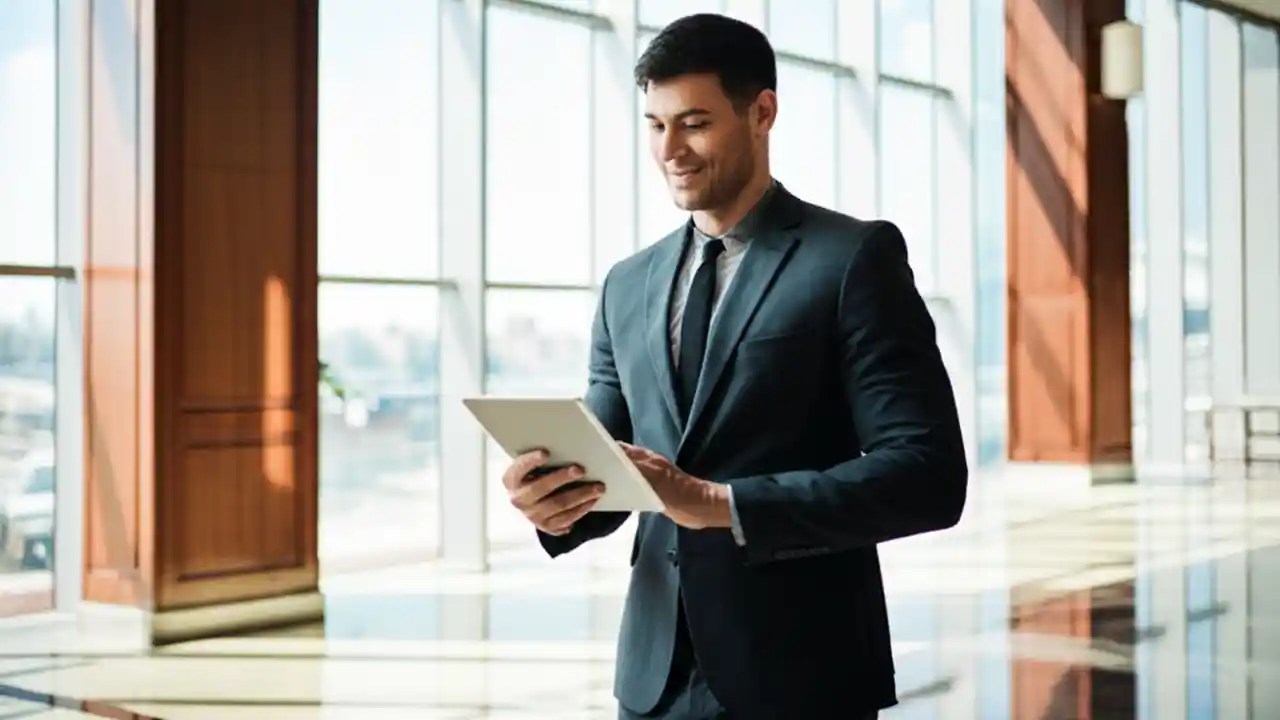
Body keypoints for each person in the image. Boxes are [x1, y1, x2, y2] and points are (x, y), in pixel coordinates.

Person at [501, 13, 967, 720]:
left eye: (694, 123)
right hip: (653, 679)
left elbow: (928, 475)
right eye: (656, 126)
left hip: (802, 673)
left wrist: (723, 505)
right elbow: (612, 461)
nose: (671, 150)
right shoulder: (628, 284)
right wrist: (555, 502)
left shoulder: (852, 260)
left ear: (762, 113)